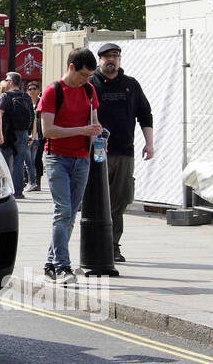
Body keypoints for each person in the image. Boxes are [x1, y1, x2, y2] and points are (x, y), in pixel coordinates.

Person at [37, 48, 102, 283]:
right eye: (84, 74)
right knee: (63, 211)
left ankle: (50, 265)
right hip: (57, 158)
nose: (86, 80)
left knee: (70, 215)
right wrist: (83, 130)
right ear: (71, 67)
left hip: (82, 158)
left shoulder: (89, 89)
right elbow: (48, 130)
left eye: (89, 76)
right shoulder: (53, 91)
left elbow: (94, 122)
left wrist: (97, 132)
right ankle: (63, 266)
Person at [90, 42, 155, 263]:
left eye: (116, 56)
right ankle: (95, 245)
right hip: (96, 153)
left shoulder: (130, 85)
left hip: (125, 152)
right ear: (99, 59)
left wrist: (149, 143)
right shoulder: (91, 84)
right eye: (107, 56)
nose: (112, 59)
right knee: (97, 200)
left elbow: (145, 114)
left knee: (120, 200)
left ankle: (113, 246)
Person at [0, 72, 36, 199]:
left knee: (4, 162)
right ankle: (18, 192)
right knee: (19, 163)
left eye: (7, 79)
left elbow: (0, 114)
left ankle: (5, 191)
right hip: (23, 133)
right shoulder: (26, 96)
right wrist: (30, 131)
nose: (6, 81)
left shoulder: (5, 96)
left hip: (8, 133)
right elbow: (32, 114)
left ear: (11, 82)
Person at [26, 79, 45, 192]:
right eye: (29, 89)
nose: (32, 91)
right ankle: (29, 181)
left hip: (40, 136)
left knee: (37, 159)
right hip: (29, 136)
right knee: (28, 160)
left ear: (38, 90)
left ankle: (37, 182)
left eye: (34, 88)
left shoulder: (41, 102)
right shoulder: (27, 102)